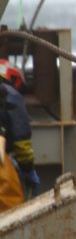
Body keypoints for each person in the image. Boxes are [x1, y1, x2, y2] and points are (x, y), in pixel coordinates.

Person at [0, 59, 38, 200]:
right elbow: (21, 139)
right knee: (10, 211)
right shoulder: (11, 94)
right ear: (14, 78)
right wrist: (28, 169)